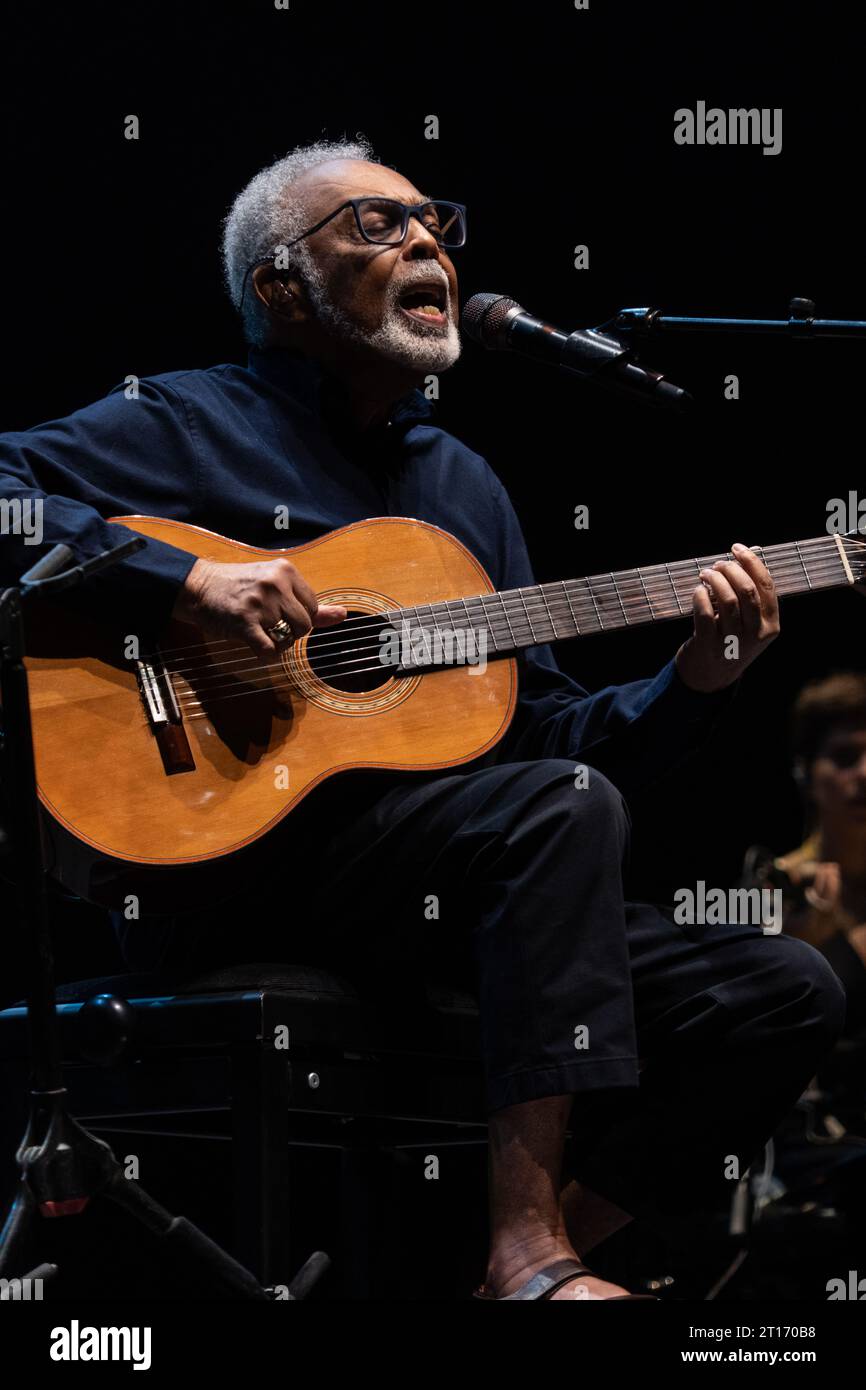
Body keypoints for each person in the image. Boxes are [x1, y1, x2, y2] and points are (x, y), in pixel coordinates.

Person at [0, 137, 845, 1301]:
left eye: (433, 222)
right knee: (552, 814)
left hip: (438, 888)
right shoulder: (182, 422)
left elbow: (549, 742)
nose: (425, 242)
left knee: (782, 987)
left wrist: (695, 676)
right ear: (279, 286)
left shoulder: (461, 487)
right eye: (375, 225)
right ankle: (522, 1250)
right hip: (226, 864)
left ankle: (520, 1268)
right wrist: (183, 581)